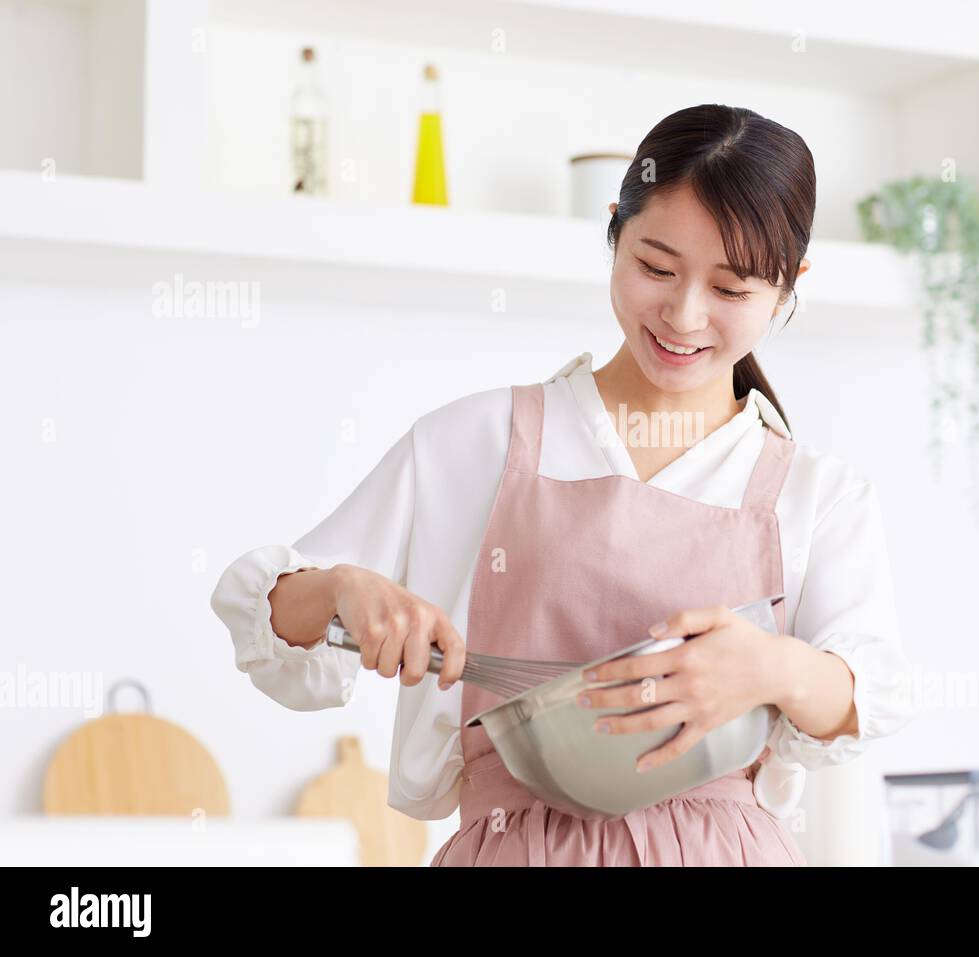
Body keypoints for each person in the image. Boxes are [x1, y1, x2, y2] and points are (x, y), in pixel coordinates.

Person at [210, 103, 915, 866]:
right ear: (614, 229)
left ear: (788, 288)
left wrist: (773, 666)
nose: (684, 314)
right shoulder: (474, 441)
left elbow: (868, 694)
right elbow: (269, 619)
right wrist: (344, 587)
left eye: (732, 289)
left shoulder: (815, 492)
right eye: (655, 266)